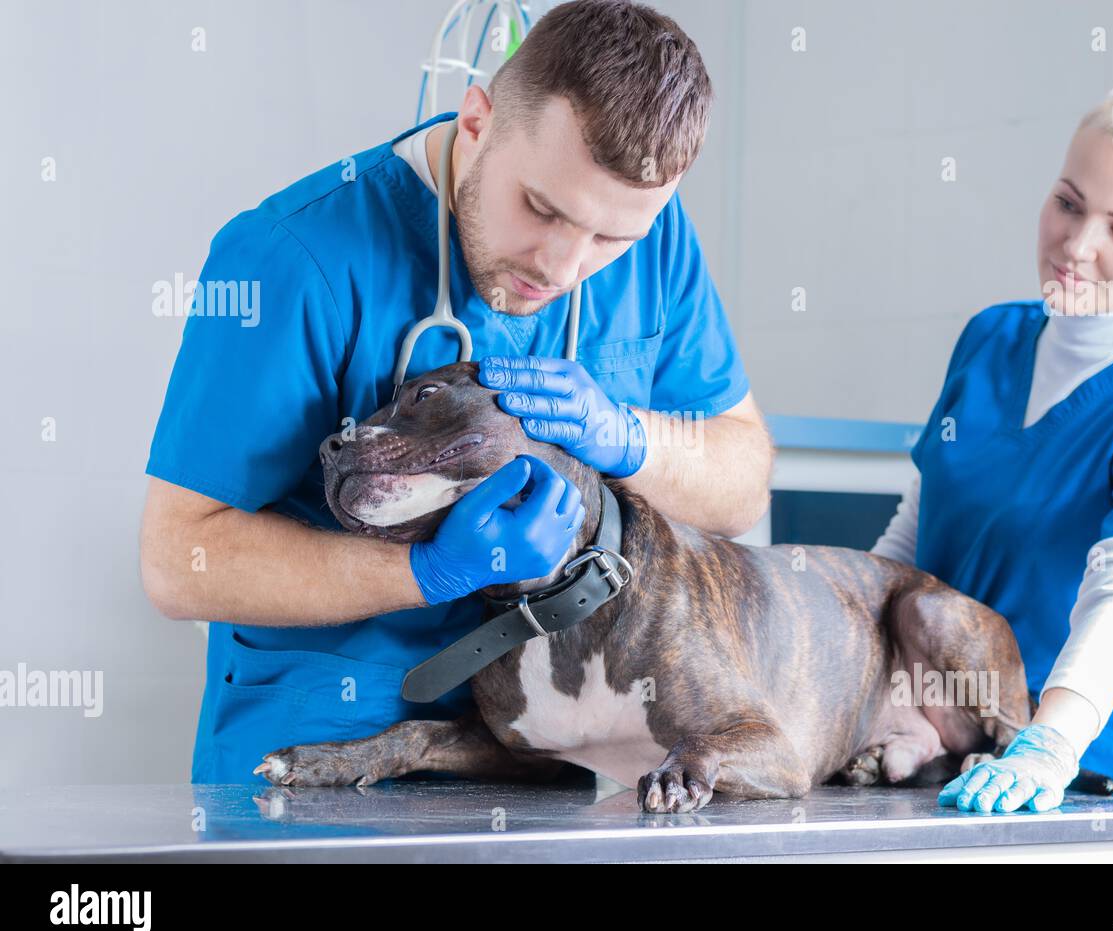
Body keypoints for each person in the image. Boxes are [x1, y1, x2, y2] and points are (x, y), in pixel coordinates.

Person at [140, 0, 773, 784]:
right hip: (331, 737)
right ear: (476, 120)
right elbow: (176, 561)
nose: (562, 269)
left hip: (560, 749)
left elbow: (741, 483)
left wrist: (630, 437)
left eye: (612, 241)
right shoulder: (292, 261)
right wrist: (427, 574)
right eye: (541, 208)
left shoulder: (660, 242)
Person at [871, 67, 1113, 809]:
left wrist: (1049, 743)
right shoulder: (990, 340)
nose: (1076, 246)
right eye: (1068, 204)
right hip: (945, 751)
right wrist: (836, 640)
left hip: (1095, 771)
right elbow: (915, 535)